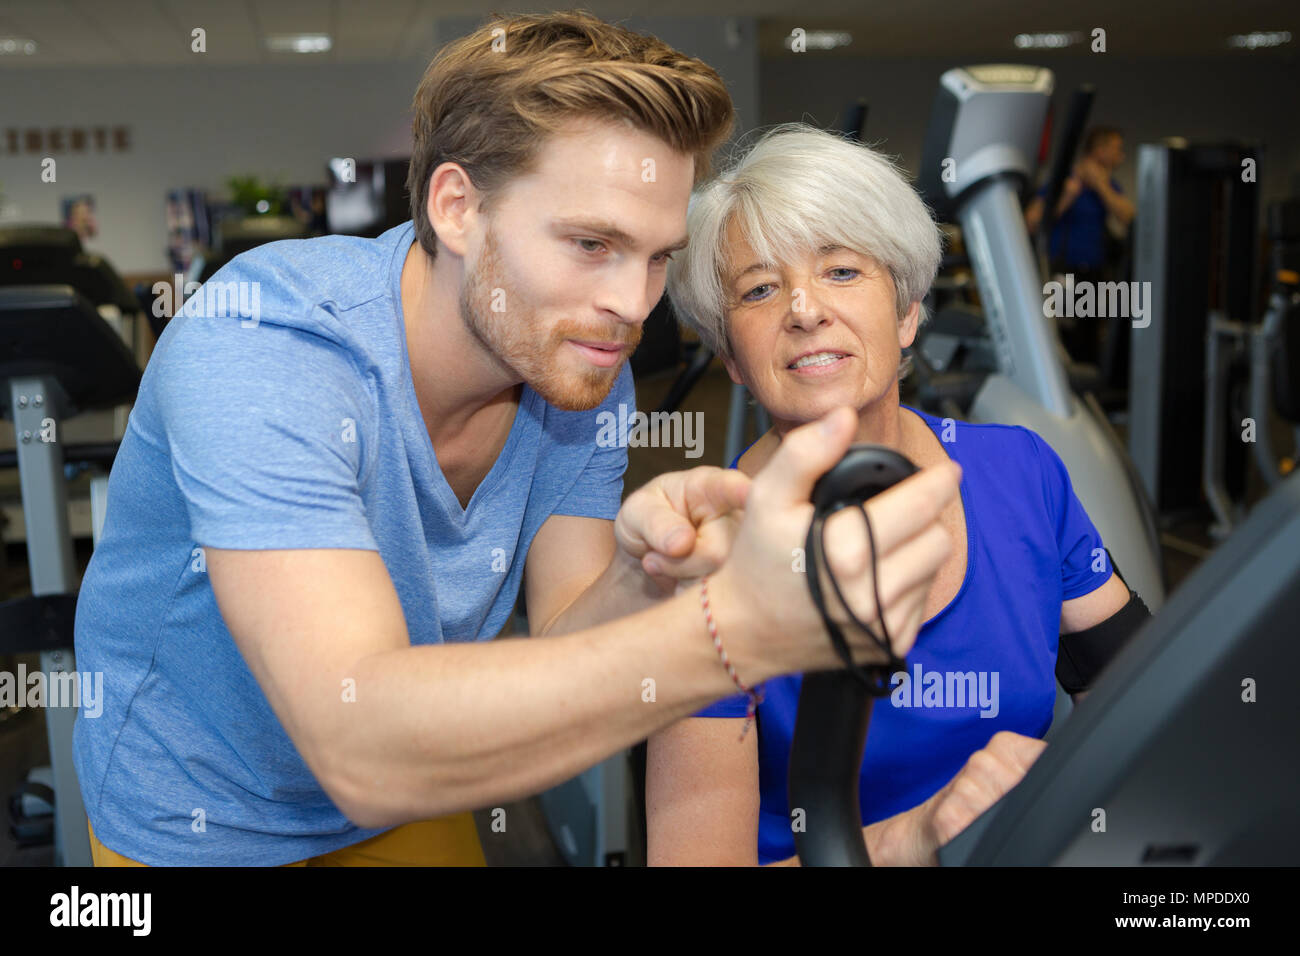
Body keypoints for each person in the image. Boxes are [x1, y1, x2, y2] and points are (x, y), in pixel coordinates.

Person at [73, 12, 959, 866]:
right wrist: (733, 634)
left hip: (411, 776)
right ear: (457, 207)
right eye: (590, 243)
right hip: (200, 809)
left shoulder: (579, 365)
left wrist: (645, 577)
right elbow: (355, 740)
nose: (632, 304)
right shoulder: (269, 343)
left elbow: (569, 634)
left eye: (657, 256)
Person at [648, 124, 1149, 866]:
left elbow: (1140, 694)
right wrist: (916, 839)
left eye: (842, 272)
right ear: (732, 359)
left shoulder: (1021, 472)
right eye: (759, 288)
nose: (804, 309)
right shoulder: (704, 548)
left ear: (908, 311)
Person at [1024, 126, 1136, 363]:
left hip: (1094, 275)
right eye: (1116, 150)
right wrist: (1068, 195)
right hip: (1063, 274)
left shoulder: (1107, 186)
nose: (1121, 157)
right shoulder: (1063, 181)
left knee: (1090, 340)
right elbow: (1032, 221)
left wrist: (1101, 186)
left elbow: (1130, 218)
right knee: (1061, 338)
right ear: (1099, 150)